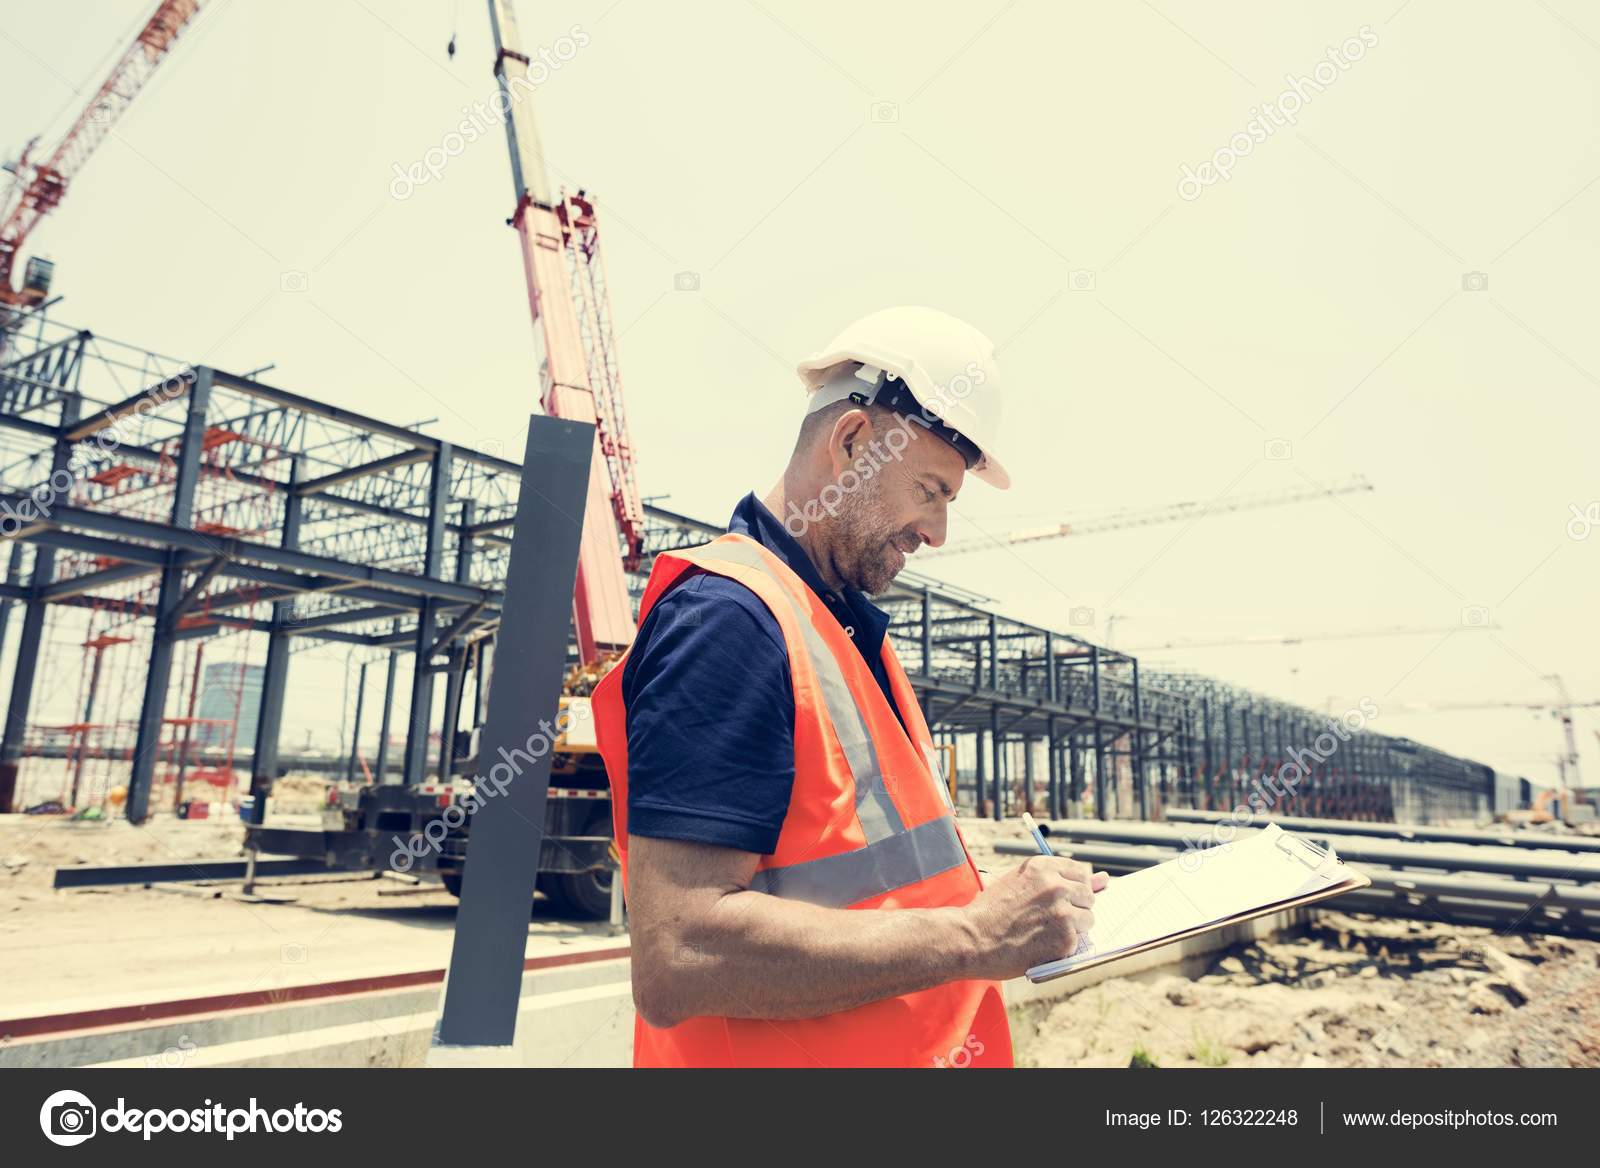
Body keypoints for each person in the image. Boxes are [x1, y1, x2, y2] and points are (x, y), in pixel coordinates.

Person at [592, 306, 1105, 1067]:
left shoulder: (838, 630)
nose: (936, 533)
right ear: (854, 442)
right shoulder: (731, 620)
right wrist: (973, 934)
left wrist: (1001, 904)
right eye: (930, 490)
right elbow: (678, 955)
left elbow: (864, 882)